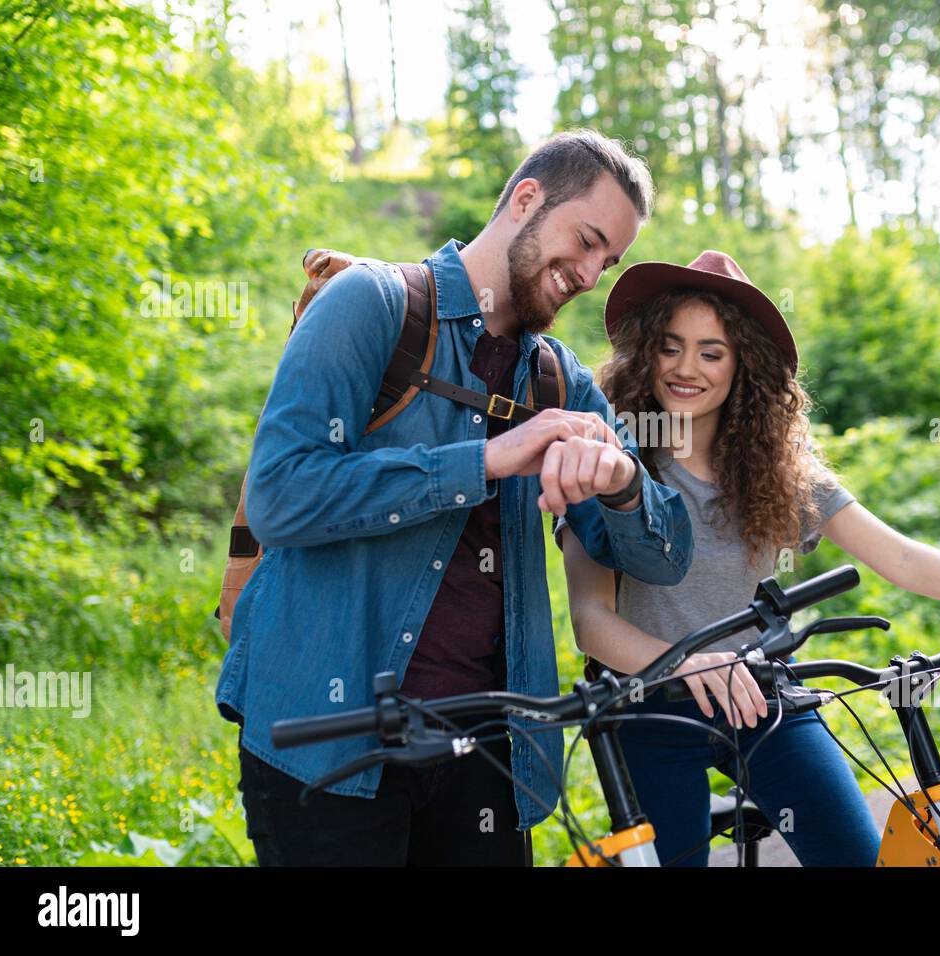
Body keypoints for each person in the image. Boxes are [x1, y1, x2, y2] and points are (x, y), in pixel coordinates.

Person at [215, 131, 694, 866]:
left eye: (611, 260)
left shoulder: (559, 380)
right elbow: (282, 495)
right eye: (588, 240)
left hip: (489, 756)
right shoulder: (369, 305)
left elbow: (666, 555)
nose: (593, 274)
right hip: (327, 744)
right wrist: (485, 460)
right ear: (526, 199)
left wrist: (625, 486)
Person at [557, 249, 940, 866]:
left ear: (743, 367)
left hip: (762, 698)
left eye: (712, 352)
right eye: (670, 346)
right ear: (645, 353)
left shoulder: (776, 473)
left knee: (853, 855)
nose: (688, 368)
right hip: (649, 708)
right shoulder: (608, 463)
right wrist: (687, 665)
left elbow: (901, 557)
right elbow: (591, 621)